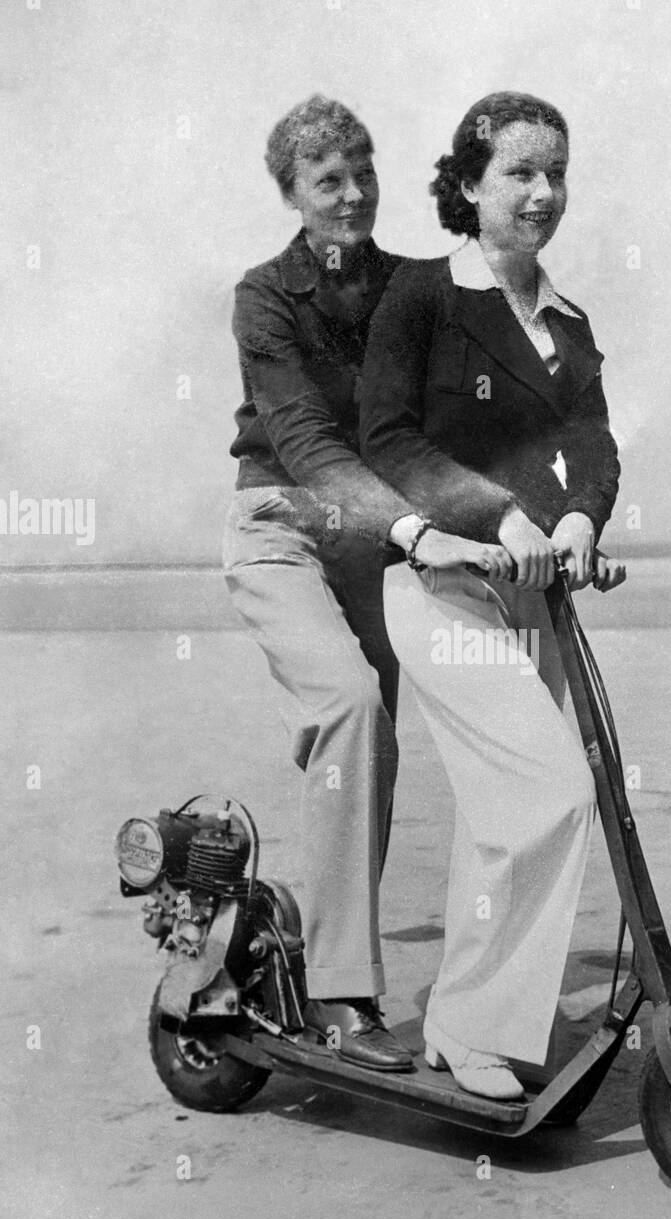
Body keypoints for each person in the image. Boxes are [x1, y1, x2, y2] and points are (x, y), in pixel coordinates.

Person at [224, 94, 507, 1072]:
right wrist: (413, 525)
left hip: (381, 540)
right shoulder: (264, 296)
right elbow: (302, 439)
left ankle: (325, 954)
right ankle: (342, 994)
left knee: (373, 752)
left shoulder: (416, 287)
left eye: (362, 172)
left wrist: (530, 514)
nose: (352, 196)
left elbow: (450, 424)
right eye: (327, 181)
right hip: (282, 523)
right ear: (293, 196)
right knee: (349, 709)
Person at [360, 92, 626, 1100]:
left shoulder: (566, 320)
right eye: (519, 172)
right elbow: (386, 439)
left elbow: (590, 445)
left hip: (533, 600)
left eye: (555, 171)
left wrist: (576, 524)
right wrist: (499, 519)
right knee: (550, 795)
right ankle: (478, 1029)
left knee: (496, 821)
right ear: (467, 184)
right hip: (437, 588)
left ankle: (454, 1028)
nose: (543, 192)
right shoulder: (422, 298)